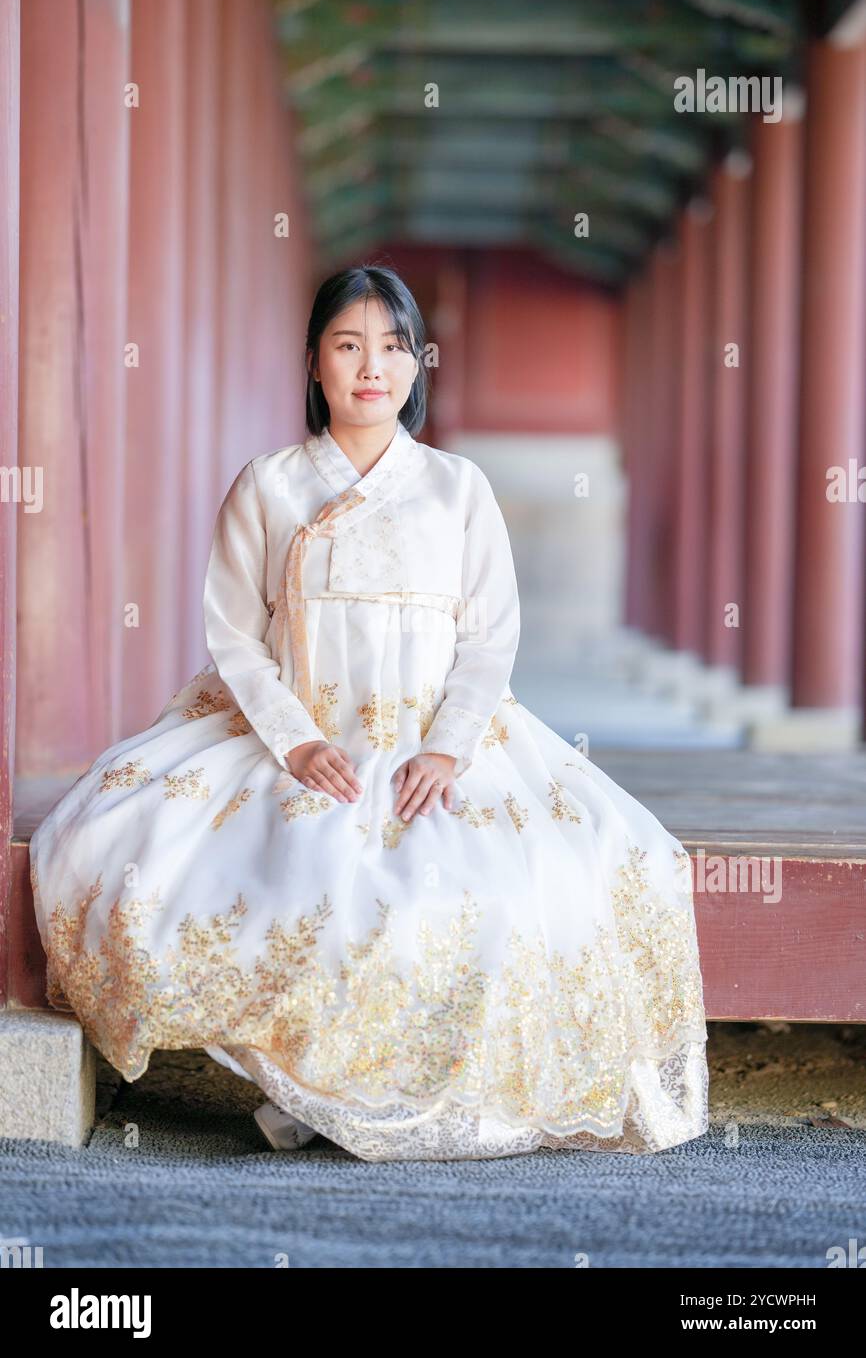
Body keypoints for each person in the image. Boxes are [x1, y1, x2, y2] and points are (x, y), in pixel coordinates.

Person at [29, 264, 709, 1162]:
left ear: (417, 363)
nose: (371, 367)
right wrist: (299, 741)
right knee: (259, 867)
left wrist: (449, 750)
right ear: (314, 362)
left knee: (553, 873)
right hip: (299, 730)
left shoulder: (459, 488)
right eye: (348, 346)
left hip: (436, 738)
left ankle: (407, 1091)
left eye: (392, 347)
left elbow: (490, 638)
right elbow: (234, 637)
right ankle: (307, 1084)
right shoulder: (269, 485)